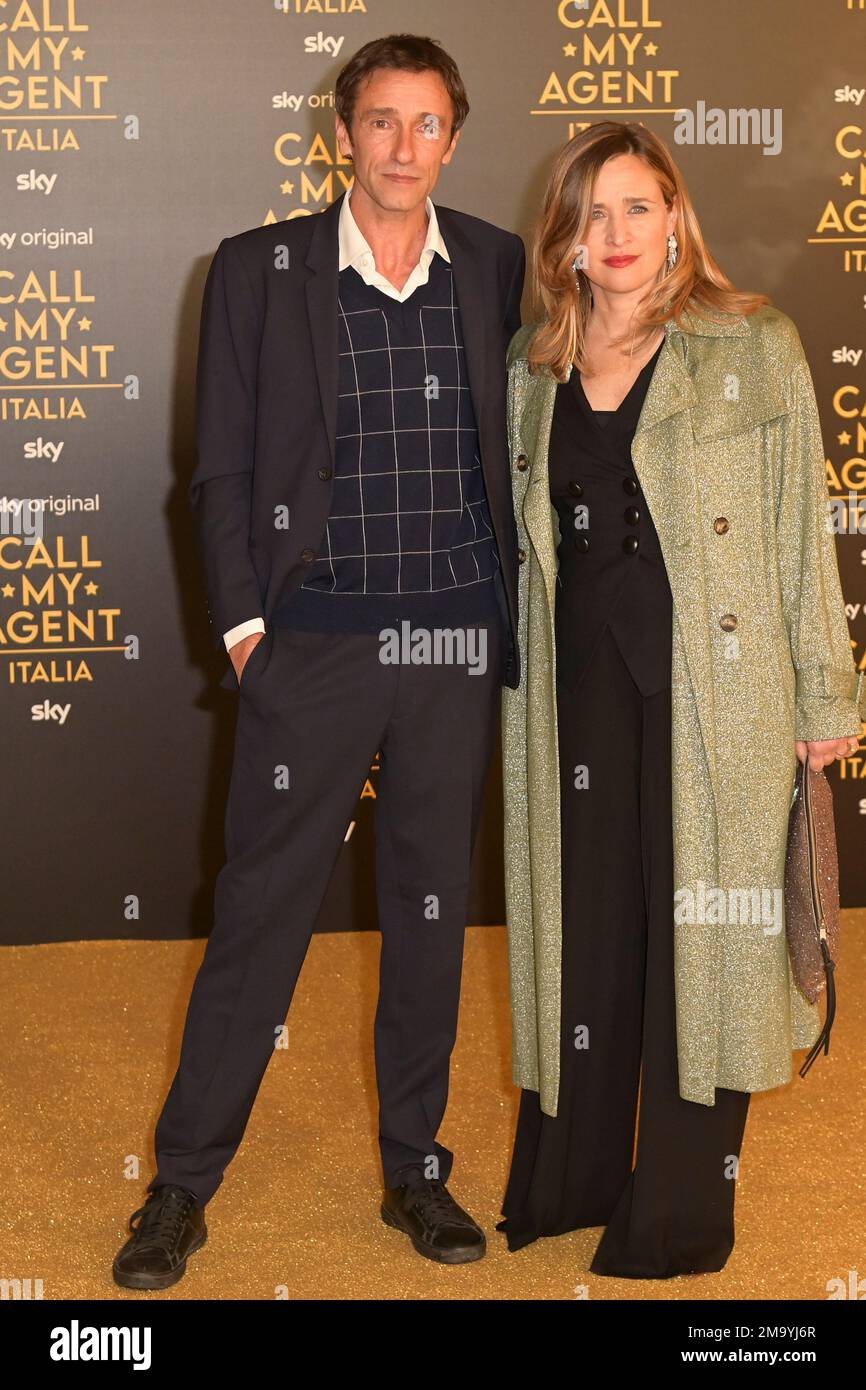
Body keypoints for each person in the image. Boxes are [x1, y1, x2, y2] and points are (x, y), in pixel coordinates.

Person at [113, 33, 525, 1290]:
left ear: (453, 138)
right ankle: (180, 1185)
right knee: (259, 917)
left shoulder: (496, 267)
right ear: (341, 132)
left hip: (452, 636)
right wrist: (247, 630)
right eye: (381, 122)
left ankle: (416, 1167)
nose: (404, 147)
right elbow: (221, 467)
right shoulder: (259, 268)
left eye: (427, 124)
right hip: (317, 645)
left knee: (430, 914)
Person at [495, 120, 864, 1278]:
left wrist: (823, 689)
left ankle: (678, 1214)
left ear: (675, 219)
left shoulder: (752, 342)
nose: (614, 234)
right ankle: (571, 1180)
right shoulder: (529, 365)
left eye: (637, 207)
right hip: (572, 696)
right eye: (590, 212)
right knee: (586, 929)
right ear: (562, 236)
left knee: (702, 940)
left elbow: (797, 536)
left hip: (720, 692)